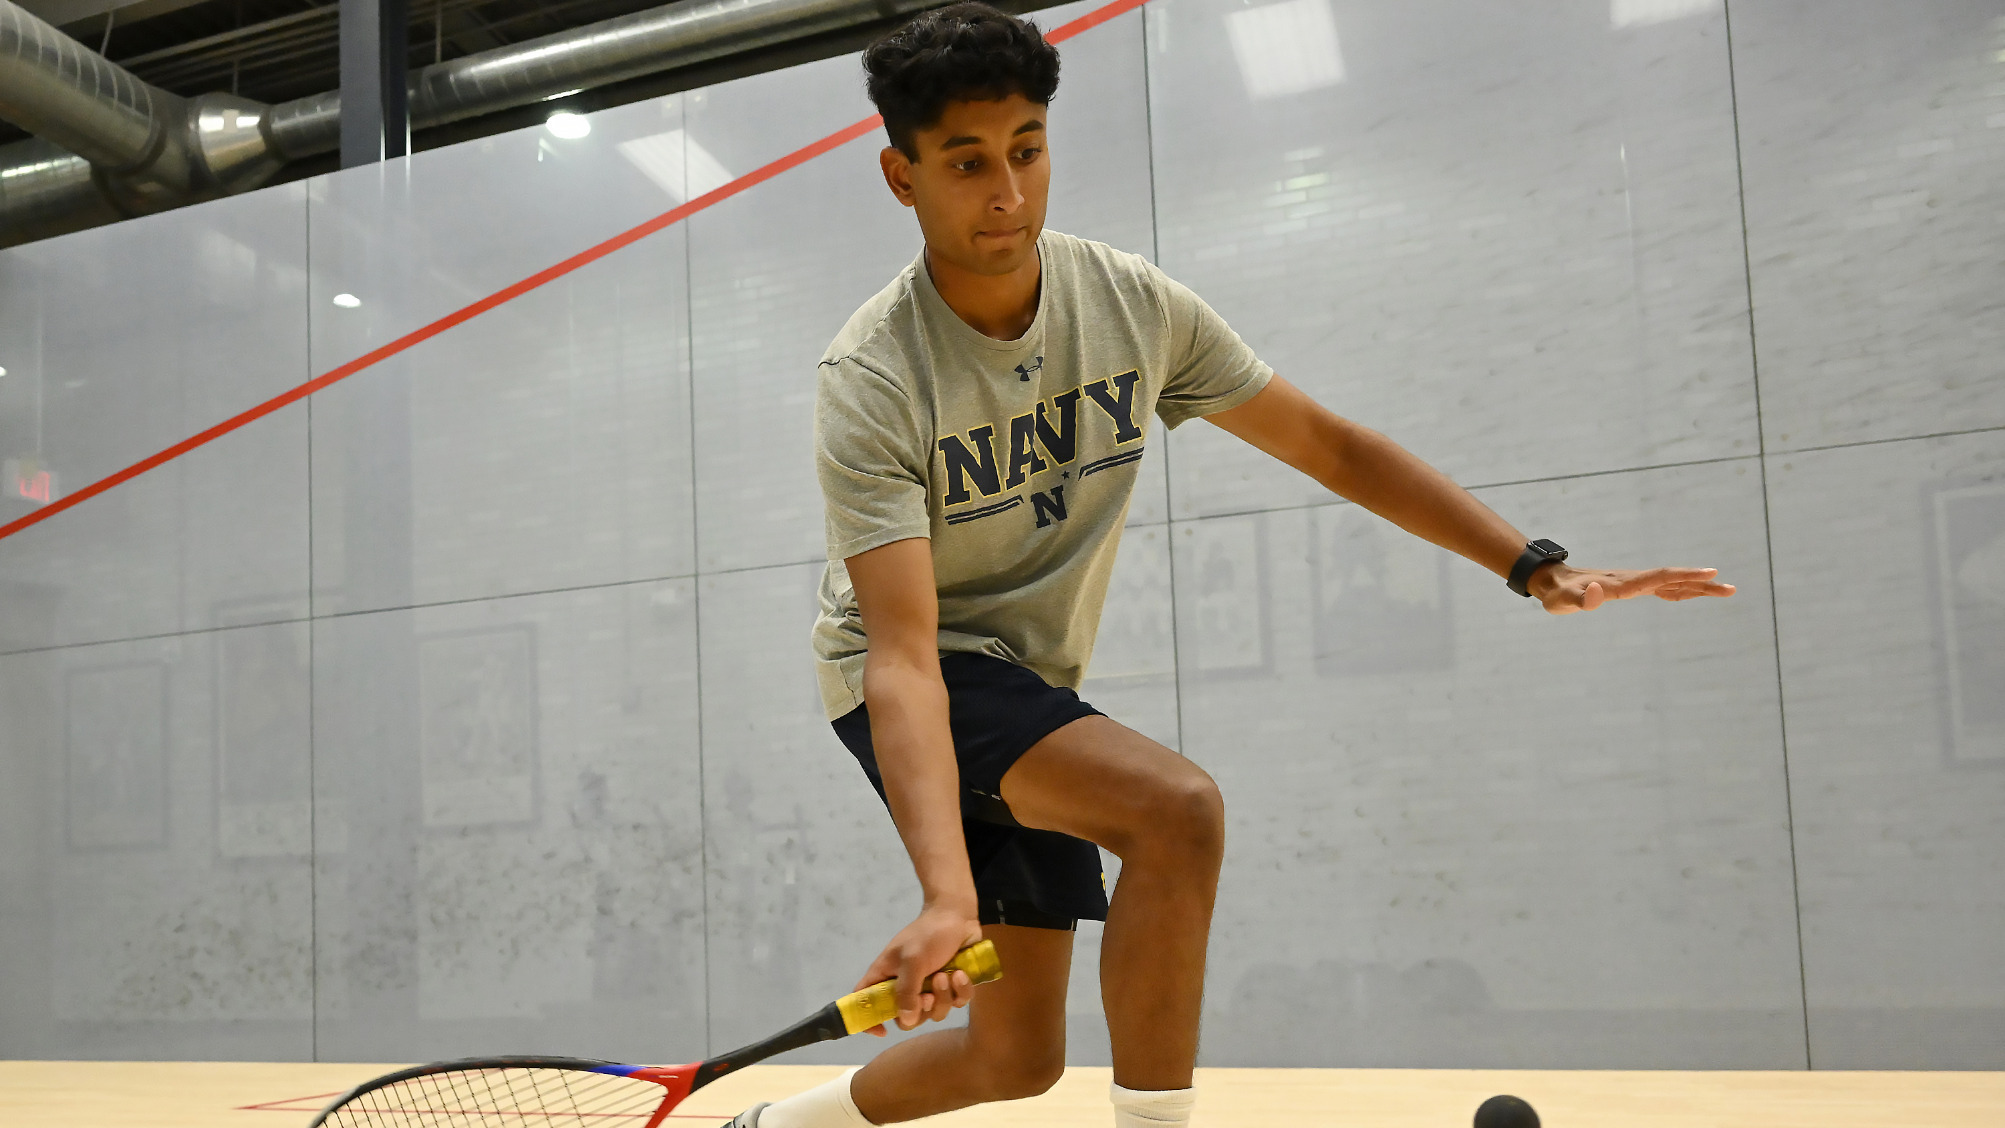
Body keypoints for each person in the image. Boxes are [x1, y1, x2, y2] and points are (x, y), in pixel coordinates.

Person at [722, 4, 1736, 1126]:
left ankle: (761, 1125)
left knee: (1013, 1058)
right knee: (1177, 812)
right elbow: (907, 660)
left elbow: (1333, 446)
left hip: (1025, 683)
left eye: (1026, 150)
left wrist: (1530, 563)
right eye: (965, 164)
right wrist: (944, 889)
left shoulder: (1131, 306)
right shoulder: (872, 376)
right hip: (909, 676)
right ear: (901, 178)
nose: (1005, 191)